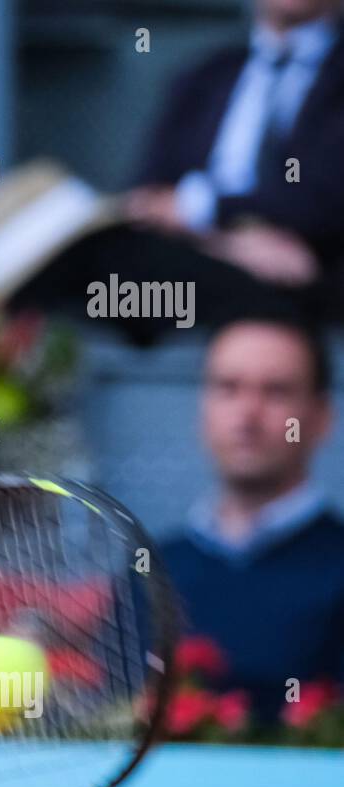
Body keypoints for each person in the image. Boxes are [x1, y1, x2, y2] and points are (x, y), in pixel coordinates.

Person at [160, 317, 344, 721]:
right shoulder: (153, 570)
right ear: (203, 409)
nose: (247, 414)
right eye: (228, 388)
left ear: (320, 417)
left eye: (276, 391)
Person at [127, 0, 344, 310]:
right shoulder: (202, 76)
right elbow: (149, 198)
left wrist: (199, 206)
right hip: (191, 267)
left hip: (306, 281)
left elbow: (324, 201)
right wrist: (230, 247)